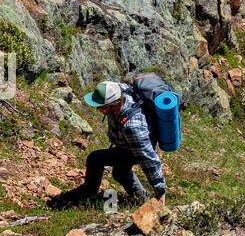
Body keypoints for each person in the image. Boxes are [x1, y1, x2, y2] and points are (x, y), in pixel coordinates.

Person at [50, 80, 167, 208]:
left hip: (134, 148)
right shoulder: (120, 93)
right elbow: (118, 86)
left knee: (95, 159)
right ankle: (142, 200)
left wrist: (160, 189)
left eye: (101, 107)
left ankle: (87, 194)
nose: (98, 109)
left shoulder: (132, 127)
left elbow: (148, 158)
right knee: (120, 173)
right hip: (126, 143)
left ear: (113, 104)